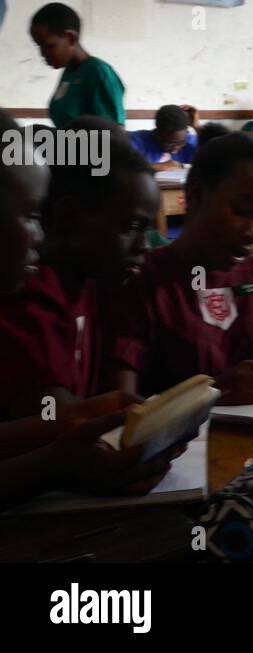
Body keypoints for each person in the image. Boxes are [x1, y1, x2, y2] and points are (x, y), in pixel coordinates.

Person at [0, 109, 181, 509]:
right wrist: (56, 460)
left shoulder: (93, 287)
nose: (40, 234)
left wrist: (82, 420)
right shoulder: (31, 298)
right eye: (32, 215)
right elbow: (54, 430)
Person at [110, 133, 253, 405]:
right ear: (195, 195)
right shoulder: (143, 279)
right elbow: (120, 408)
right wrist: (209, 395)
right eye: (242, 211)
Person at [0, 118, 158, 420]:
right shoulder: (27, 301)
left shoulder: (92, 285)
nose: (145, 246)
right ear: (70, 217)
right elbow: (52, 420)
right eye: (133, 226)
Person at [30, 2, 126, 129]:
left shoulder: (98, 72)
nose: (42, 53)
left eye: (49, 46)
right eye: (39, 46)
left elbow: (114, 138)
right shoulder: (69, 73)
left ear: (71, 38)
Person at [129, 104, 199, 170]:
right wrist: (157, 167)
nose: (175, 150)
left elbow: (209, 158)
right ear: (157, 134)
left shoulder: (189, 141)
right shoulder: (137, 141)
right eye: (170, 143)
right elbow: (122, 166)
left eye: (181, 142)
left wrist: (197, 127)